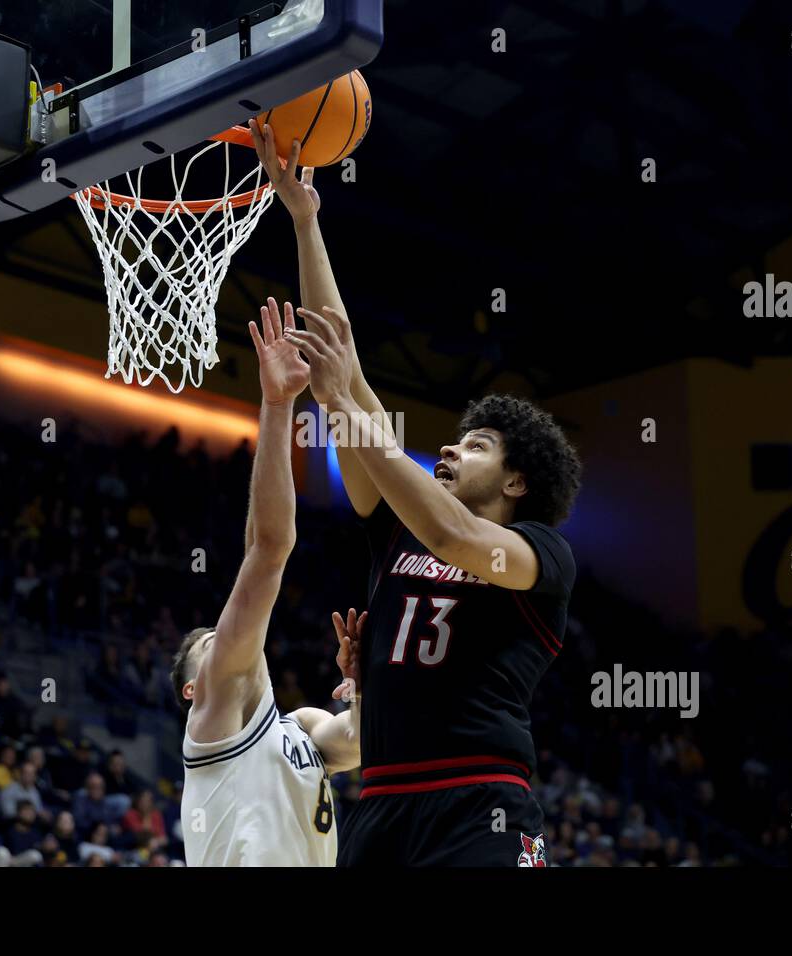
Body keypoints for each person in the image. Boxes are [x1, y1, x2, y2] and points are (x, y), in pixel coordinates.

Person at [251, 118, 583, 866]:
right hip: (381, 804)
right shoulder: (397, 530)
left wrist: (340, 405)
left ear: (517, 480)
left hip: (479, 802)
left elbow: (455, 540)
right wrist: (304, 222)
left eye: (476, 445)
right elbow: (348, 366)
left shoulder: (540, 557)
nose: (449, 450)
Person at [170, 298, 361, 866]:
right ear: (192, 691)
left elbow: (366, 742)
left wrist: (365, 681)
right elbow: (268, 549)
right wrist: (278, 406)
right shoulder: (213, 719)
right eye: (213, 643)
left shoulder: (301, 727)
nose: (230, 638)